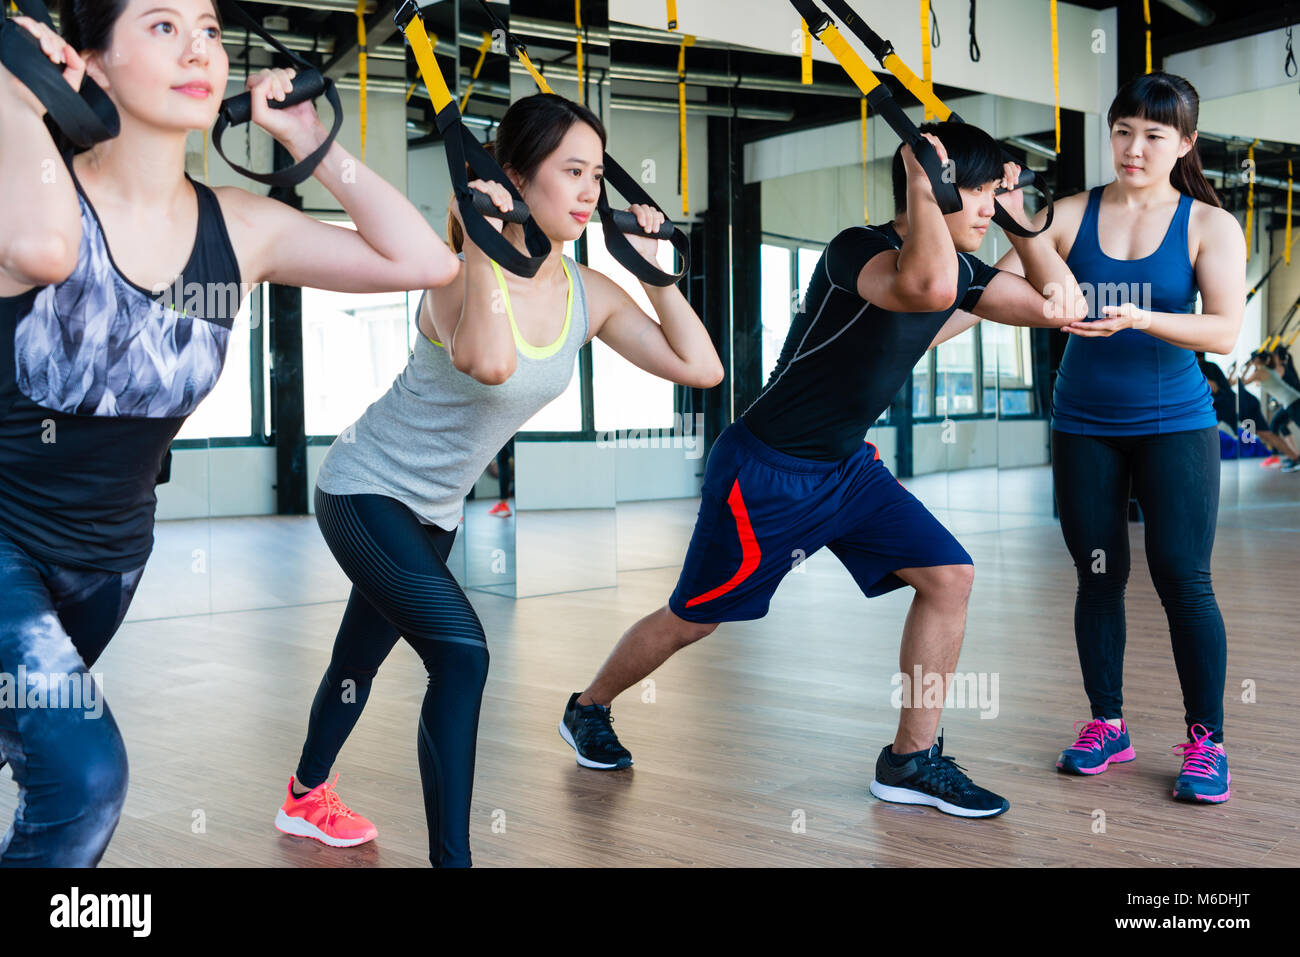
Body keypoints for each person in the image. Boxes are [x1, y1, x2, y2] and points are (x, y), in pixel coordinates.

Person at [0, 0, 458, 866]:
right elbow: (46, 248)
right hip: (4, 545)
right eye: (163, 27)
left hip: (106, 564)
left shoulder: (239, 229)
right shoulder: (30, 192)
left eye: (208, 29)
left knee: (42, 759)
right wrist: (16, 96)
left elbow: (425, 264)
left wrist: (308, 145)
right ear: (91, 62)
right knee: (84, 776)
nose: (199, 50)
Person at [559, 121, 1086, 819]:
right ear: (934, 184)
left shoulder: (963, 269)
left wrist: (1022, 225)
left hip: (846, 470)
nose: (989, 208)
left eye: (997, 195)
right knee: (695, 618)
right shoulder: (856, 251)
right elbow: (924, 286)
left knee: (949, 576)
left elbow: (1061, 305)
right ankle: (588, 707)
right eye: (982, 193)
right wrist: (927, 188)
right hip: (766, 472)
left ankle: (910, 760)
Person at [275, 93, 724, 866]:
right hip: (362, 489)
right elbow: (490, 361)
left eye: (596, 175)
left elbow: (702, 368)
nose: (590, 192)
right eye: (572, 171)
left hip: (435, 511)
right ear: (514, 179)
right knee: (463, 652)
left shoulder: (590, 294)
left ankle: (304, 796)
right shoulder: (456, 273)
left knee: (357, 662)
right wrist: (483, 238)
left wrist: (654, 275)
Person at [998, 72, 1245, 803]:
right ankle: (1108, 721)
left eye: (1154, 135)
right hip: (1083, 423)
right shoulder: (1070, 214)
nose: (1134, 148)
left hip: (1176, 424)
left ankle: (1208, 740)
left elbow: (1225, 330)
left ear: (1185, 143)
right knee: (1098, 574)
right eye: (1123, 131)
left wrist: (1142, 318)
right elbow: (998, 290)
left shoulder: (1207, 224)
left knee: (1182, 575)